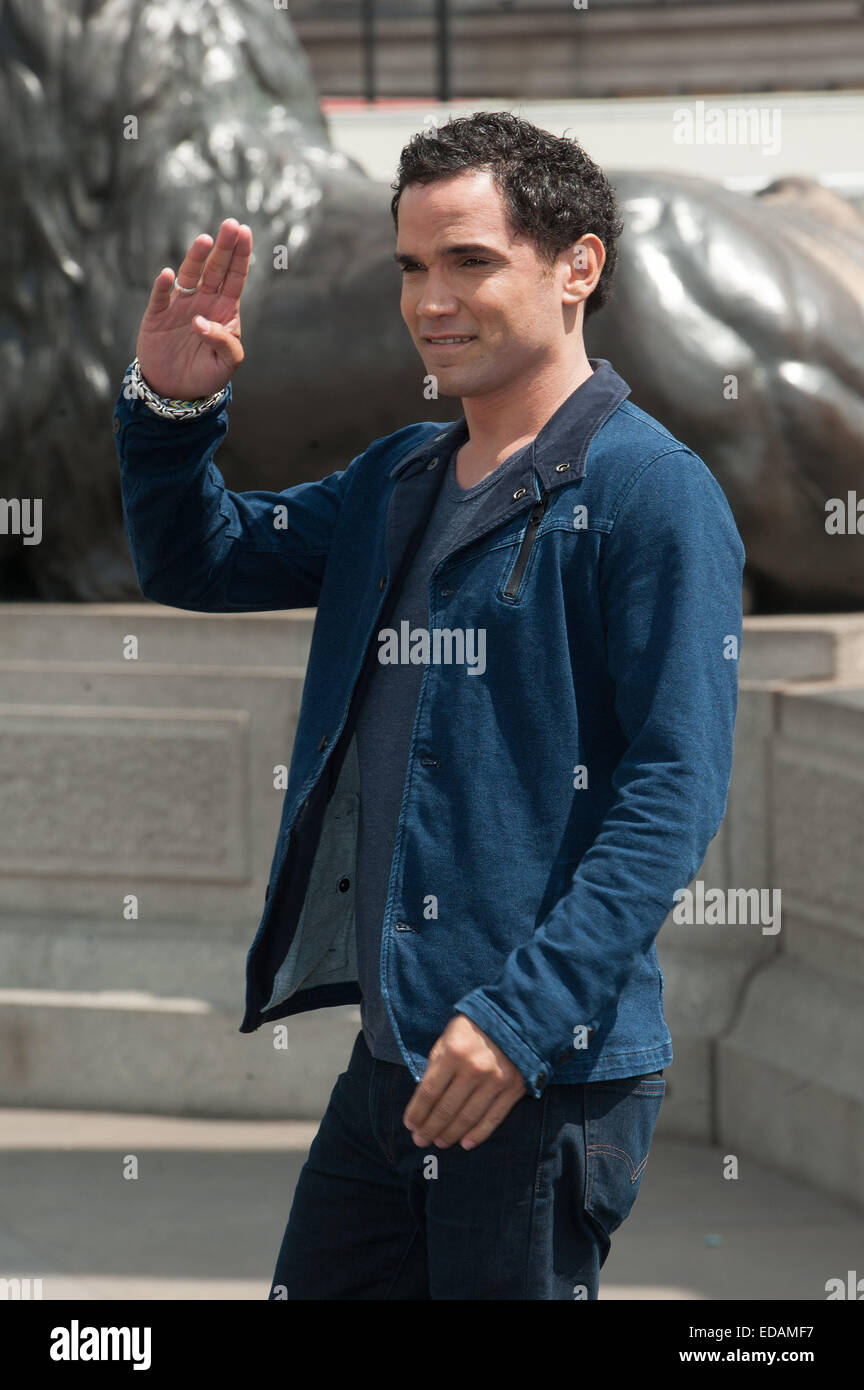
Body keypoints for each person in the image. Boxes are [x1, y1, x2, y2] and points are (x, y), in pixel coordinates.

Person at [113, 111, 745, 1300]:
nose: (430, 300)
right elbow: (198, 562)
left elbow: (673, 795)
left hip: (540, 1076)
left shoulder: (657, 493)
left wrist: (518, 1022)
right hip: (390, 1066)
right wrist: (172, 412)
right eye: (412, 266)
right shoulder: (399, 477)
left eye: (469, 260)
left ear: (578, 269)